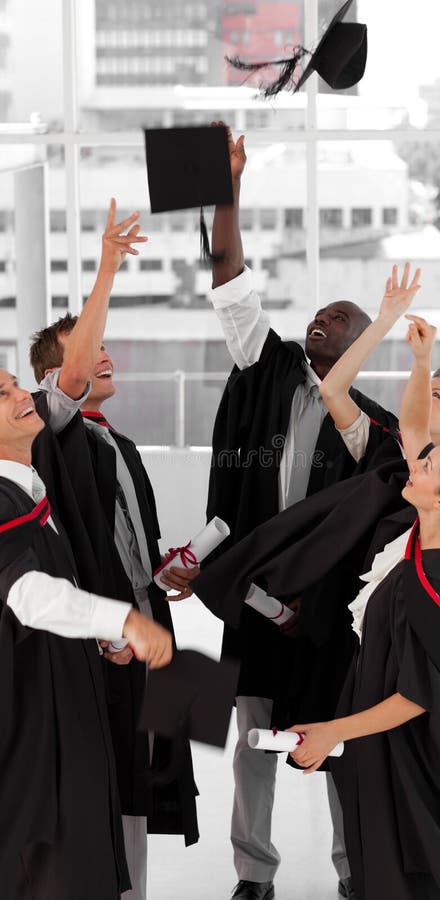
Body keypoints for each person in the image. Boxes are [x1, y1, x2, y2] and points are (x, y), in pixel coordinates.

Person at [204, 124, 401, 900]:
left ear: (360, 345)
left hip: (321, 615)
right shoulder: (267, 365)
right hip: (253, 602)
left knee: (334, 740)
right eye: (319, 313)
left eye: (341, 317)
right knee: (249, 743)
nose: (323, 319)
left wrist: (307, 605)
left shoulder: (374, 431)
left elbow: (361, 534)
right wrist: (228, 187)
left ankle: (355, 873)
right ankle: (254, 875)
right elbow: (229, 276)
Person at [29, 200, 199, 900]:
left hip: (146, 630)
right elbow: (65, 380)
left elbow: (125, 541)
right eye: (89, 345)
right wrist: (104, 271)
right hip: (103, 641)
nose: (104, 353)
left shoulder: (118, 444)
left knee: (149, 770)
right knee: (107, 777)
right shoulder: (54, 435)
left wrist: (164, 574)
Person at [288, 412, 440, 898]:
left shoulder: (437, 578)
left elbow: (419, 697)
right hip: (389, 751)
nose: (415, 464)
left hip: (415, 762)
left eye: (428, 465)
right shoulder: (419, 552)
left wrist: (332, 732)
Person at [0, 369, 175, 899]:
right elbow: (27, 595)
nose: (21, 396)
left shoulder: (28, 492)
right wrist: (121, 619)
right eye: (2, 395)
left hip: (66, 711)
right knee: (46, 865)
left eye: (14, 385)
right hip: (31, 731)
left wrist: (98, 637)